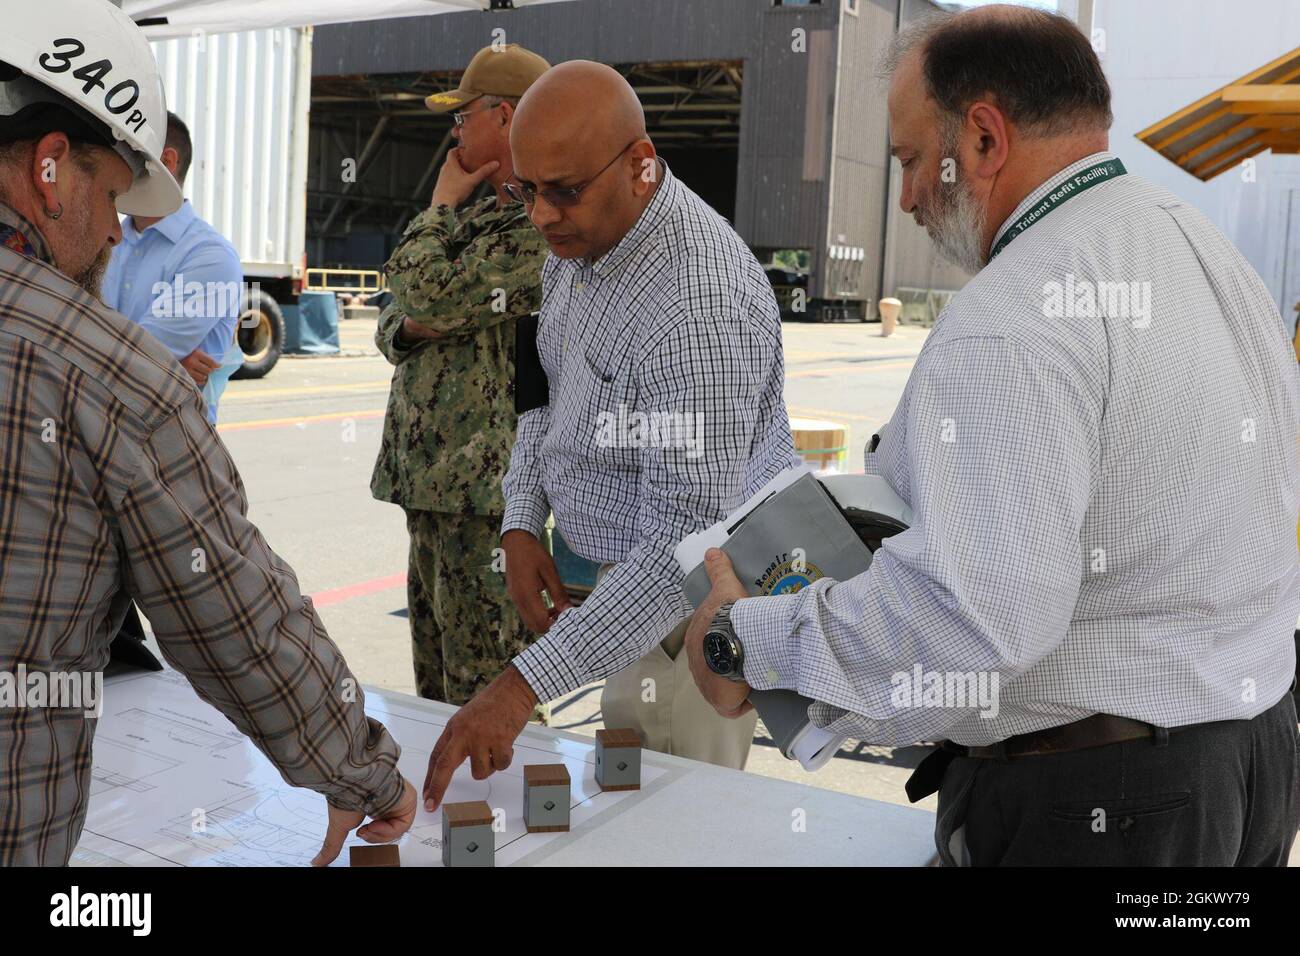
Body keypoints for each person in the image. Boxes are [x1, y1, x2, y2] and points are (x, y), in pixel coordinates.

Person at [683, 4, 1300, 866]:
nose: (902, 196)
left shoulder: (1011, 316)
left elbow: (970, 624)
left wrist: (745, 638)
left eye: (907, 159)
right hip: (1253, 761)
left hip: (1102, 800)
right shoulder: (1205, 247)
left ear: (980, 138)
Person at [0, 0, 415, 866]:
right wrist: (364, 772)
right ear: (48, 169)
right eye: (111, 194)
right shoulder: (107, 374)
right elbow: (231, 614)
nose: (116, 228)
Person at [421, 61, 798, 810]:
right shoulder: (583, 243)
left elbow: (684, 548)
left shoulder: (699, 307)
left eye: (565, 191)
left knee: (676, 825)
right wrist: (523, 516)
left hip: (692, 617)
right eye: (528, 191)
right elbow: (543, 389)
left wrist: (524, 684)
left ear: (640, 164)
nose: (542, 216)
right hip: (622, 592)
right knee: (623, 804)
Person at [372, 44, 551, 714]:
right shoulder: (479, 217)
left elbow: (427, 293)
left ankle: (503, 822)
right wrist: (414, 323)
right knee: (436, 692)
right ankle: (449, 818)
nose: (455, 129)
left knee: (488, 693)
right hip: (436, 490)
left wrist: (441, 200)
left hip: (485, 501)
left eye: (465, 114)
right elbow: (402, 316)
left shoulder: (534, 225)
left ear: (504, 117)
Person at [101, 112, 243, 425]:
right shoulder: (102, 242)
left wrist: (160, 364)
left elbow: (137, 359)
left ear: (166, 160)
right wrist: (172, 366)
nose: (108, 158)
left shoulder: (211, 256)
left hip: (170, 448)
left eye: (124, 150)